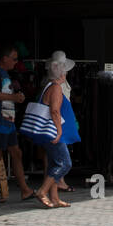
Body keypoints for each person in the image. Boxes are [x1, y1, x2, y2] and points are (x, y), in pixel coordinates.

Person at [0, 45, 33, 203]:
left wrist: (15, 98)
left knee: (16, 153)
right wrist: (14, 98)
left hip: (7, 121)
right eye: (14, 59)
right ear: (5, 58)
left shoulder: (4, 74)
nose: (16, 62)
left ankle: (25, 189)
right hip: (0, 121)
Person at [34, 52, 78, 209]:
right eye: (65, 71)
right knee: (65, 163)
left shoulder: (48, 85)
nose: (66, 73)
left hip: (48, 132)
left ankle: (54, 197)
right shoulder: (56, 89)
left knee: (54, 164)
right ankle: (42, 191)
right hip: (53, 132)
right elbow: (55, 111)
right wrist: (59, 132)